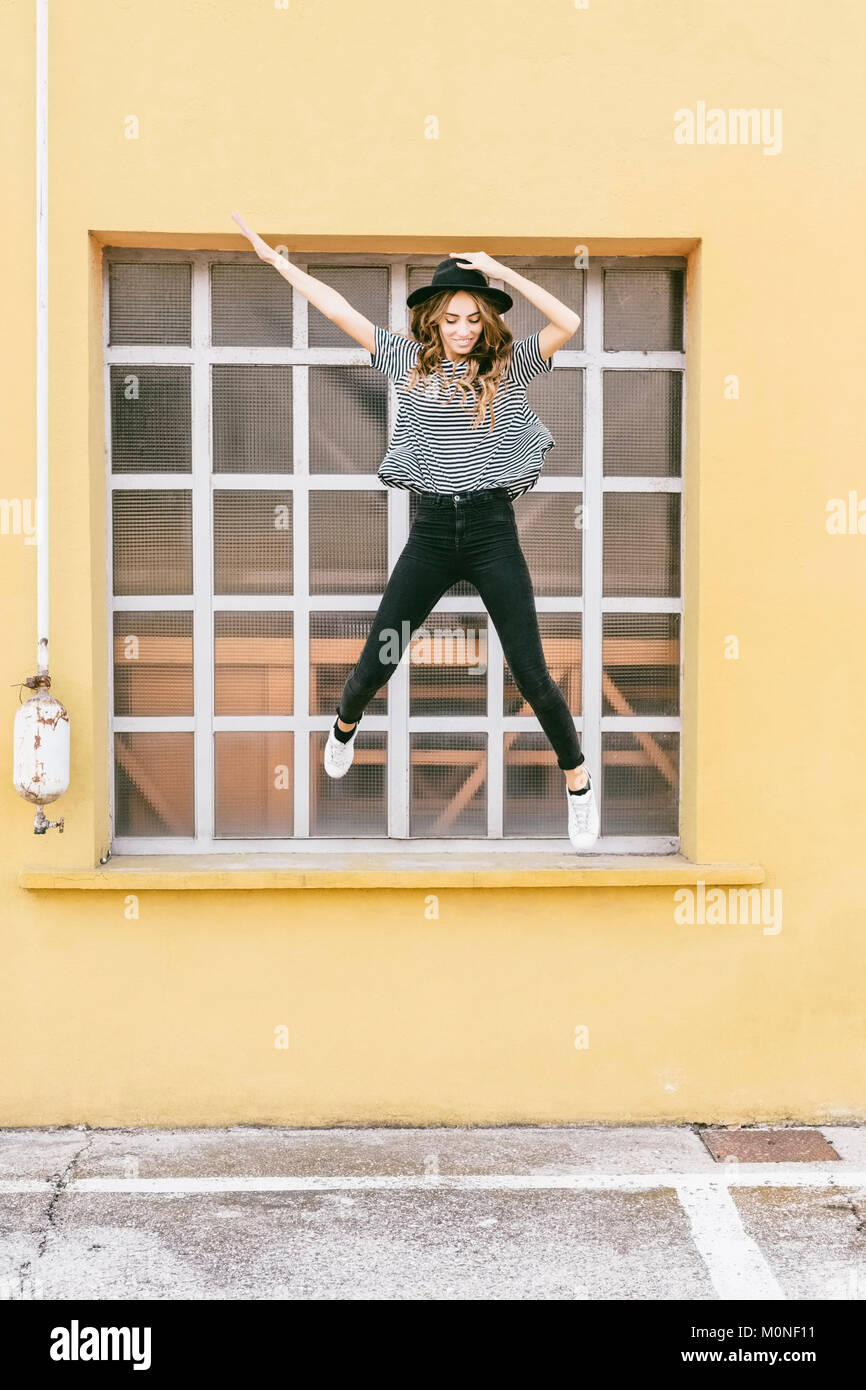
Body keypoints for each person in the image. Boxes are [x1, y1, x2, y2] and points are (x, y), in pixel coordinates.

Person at [230, 212, 599, 850]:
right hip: (431, 531)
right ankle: (344, 724)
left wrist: (502, 272)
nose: (462, 330)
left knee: (530, 668)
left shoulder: (509, 365)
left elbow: (568, 323)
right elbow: (337, 307)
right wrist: (277, 262)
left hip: (491, 532)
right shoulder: (404, 359)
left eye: (474, 318)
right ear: (433, 319)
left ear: (487, 320)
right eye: (451, 319)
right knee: (383, 651)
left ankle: (579, 784)